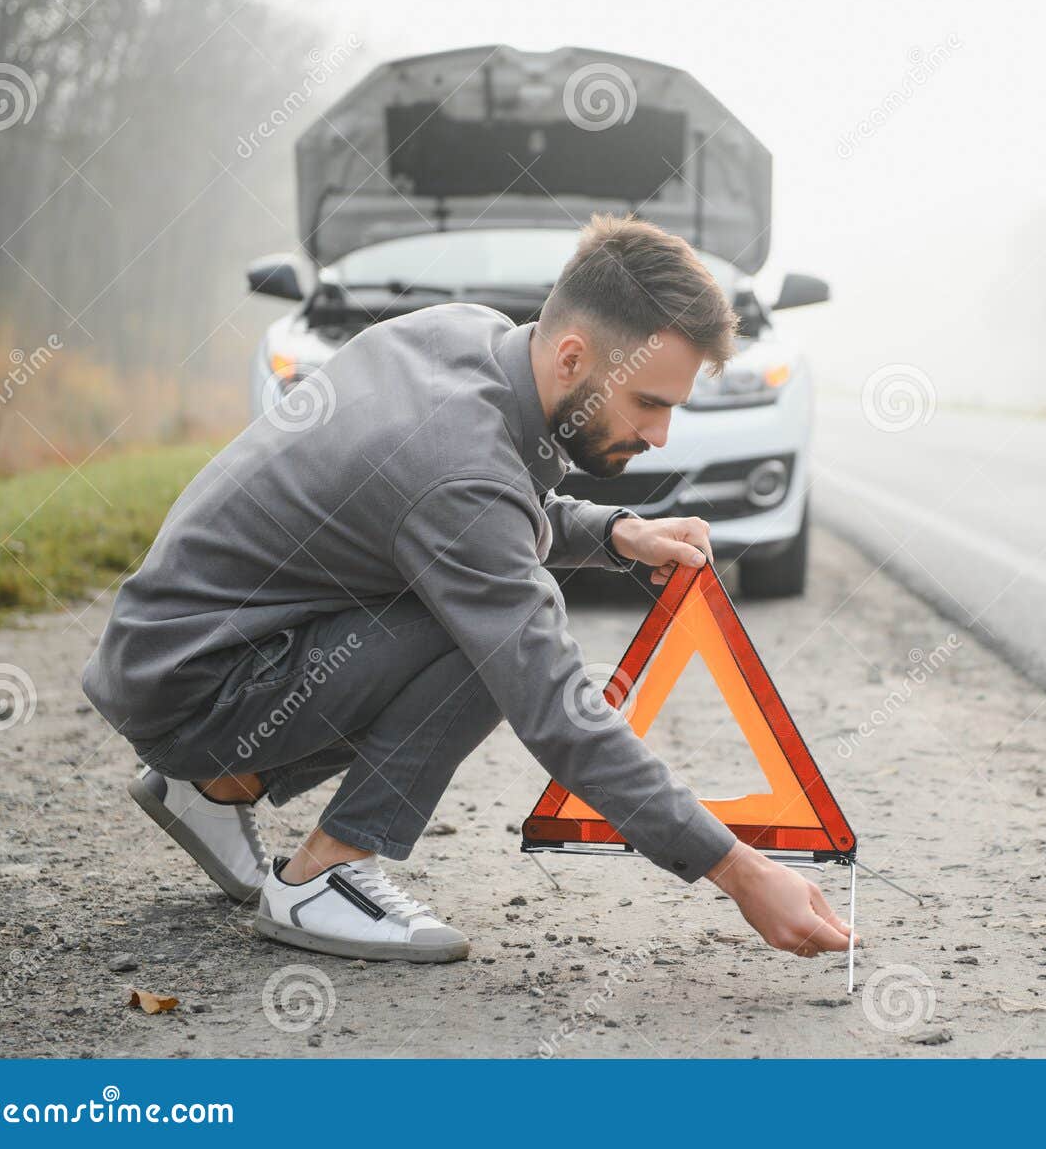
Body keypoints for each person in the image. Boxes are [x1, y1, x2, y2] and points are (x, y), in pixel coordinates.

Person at [81, 213, 851, 964]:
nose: (660, 436)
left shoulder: (466, 337)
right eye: (649, 402)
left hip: (179, 654)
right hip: (198, 687)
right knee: (491, 648)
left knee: (478, 606)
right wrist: (739, 869)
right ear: (576, 358)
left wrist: (616, 532)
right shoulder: (461, 471)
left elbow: (474, 508)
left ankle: (218, 785)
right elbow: (553, 703)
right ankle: (321, 875)